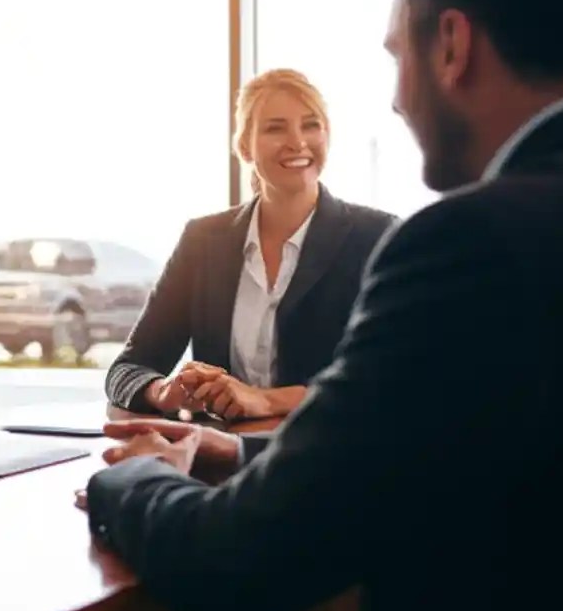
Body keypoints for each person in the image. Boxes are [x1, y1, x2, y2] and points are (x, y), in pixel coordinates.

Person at [83, 0, 563, 611]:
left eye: (398, 55)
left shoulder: (467, 245)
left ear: (451, 45)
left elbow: (238, 559)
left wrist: (133, 475)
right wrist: (236, 447)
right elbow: (426, 440)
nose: (396, 98)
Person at [107, 69, 396, 423]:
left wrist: (266, 400)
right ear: (244, 146)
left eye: (310, 125)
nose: (297, 142)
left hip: (328, 458)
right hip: (218, 456)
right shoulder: (203, 241)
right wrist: (164, 391)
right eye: (276, 128)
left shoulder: (377, 237)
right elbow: (127, 369)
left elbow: (389, 375)